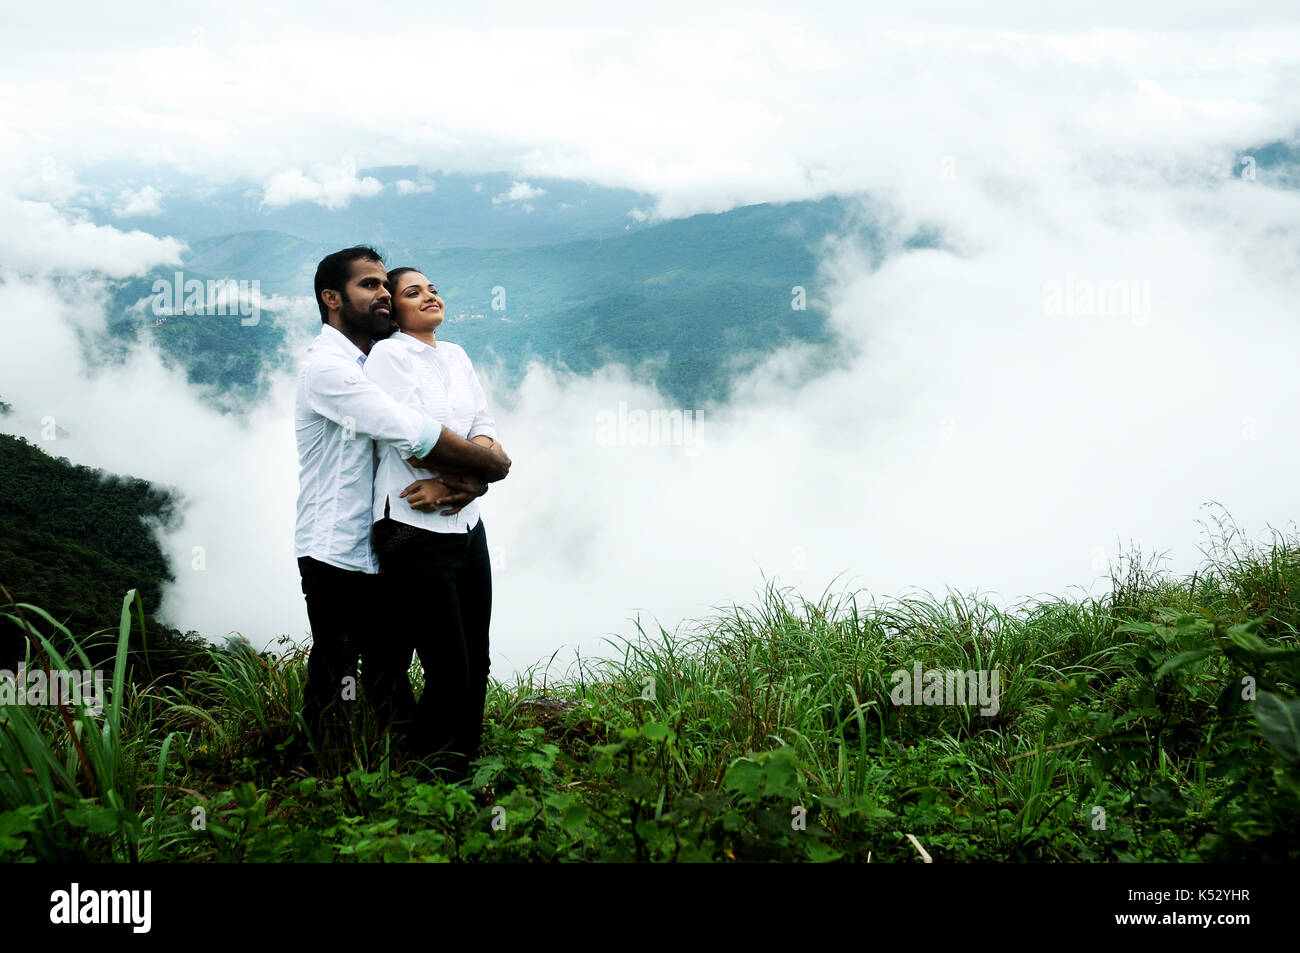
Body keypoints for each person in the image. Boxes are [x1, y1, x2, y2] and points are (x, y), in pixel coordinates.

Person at [294, 247, 510, 763]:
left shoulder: (378, 356)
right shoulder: (331, 368)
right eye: (371, 286)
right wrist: (494, 468)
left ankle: (406, 772)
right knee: (339, 669)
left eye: (386, 288)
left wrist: (472, 486)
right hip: (338, 548)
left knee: (389, 667)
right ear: (332, 298)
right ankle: (316, 774)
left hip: (388, 539)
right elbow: (413, 434)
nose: (384, 296)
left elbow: (465, 426)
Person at [363, 266, 506, 781]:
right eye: (412, 292)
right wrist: (482, 470)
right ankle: (432, 777)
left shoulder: (457, 355)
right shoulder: (389, 356)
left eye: (433, 289)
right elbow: (414, 441)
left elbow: (484, 429)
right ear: (394, 310)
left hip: (467, 528)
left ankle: (462, 767)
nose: (430, 297)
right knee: (448, 668)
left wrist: (459, 484)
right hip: (410, 529)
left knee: (478, 661)